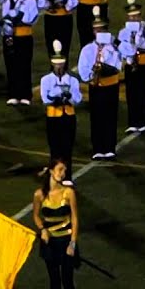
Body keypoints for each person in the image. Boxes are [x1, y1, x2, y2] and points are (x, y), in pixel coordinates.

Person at [33, 159, 80, 289]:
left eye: (64, 170)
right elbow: (36, 216)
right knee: (54, 280)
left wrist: (73, 243)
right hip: (50, 243)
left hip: (66, 241)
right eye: (60, 169)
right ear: (51, 171)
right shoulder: (39, 194)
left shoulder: (69, 193)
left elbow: (75, 218)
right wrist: (42, 229)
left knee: (67, 279)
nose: (63, 173)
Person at [77, 7, 122, 160]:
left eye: (101, 29)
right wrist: (93, 74)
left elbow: (118, 65)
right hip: (96, 86)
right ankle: (97, 148)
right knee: (96, 117)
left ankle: (109, 147)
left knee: (110, 116)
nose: (98, 33)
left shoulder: (113, 47)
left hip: (110, 86)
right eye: (96, 30)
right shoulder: (88, 49)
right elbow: (83, 70)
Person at [41, 40, 82, 184]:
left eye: (61, 63)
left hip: (68, 116)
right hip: (53, 116)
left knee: (67, 147)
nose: (59, 66)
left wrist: (70, 97)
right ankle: (55, 176)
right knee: (55, 147)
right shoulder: (46, 79)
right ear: (52, 64)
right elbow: (44, 98)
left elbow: (78, 99)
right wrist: (56, 96)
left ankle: (67, 176)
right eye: (56, 63)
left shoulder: (72, 80)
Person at [0, 0, 39, 107]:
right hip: (8, 36)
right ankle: (13, 94)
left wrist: (18, 18)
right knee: (11, 65)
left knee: (23, 65)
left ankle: (25, 94)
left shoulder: (29, 1)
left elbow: (31, 19)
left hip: (23, 36)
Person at [119, 0, 145, 134]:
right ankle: (132, 122)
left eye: (136, 16)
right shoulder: (123, 32)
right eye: (131, 17)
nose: (133, 19)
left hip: (143, 64)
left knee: (142, 93)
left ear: (140, 16)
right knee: (131, 94)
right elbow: (122, 50)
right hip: (131, 65)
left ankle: (142, 122)